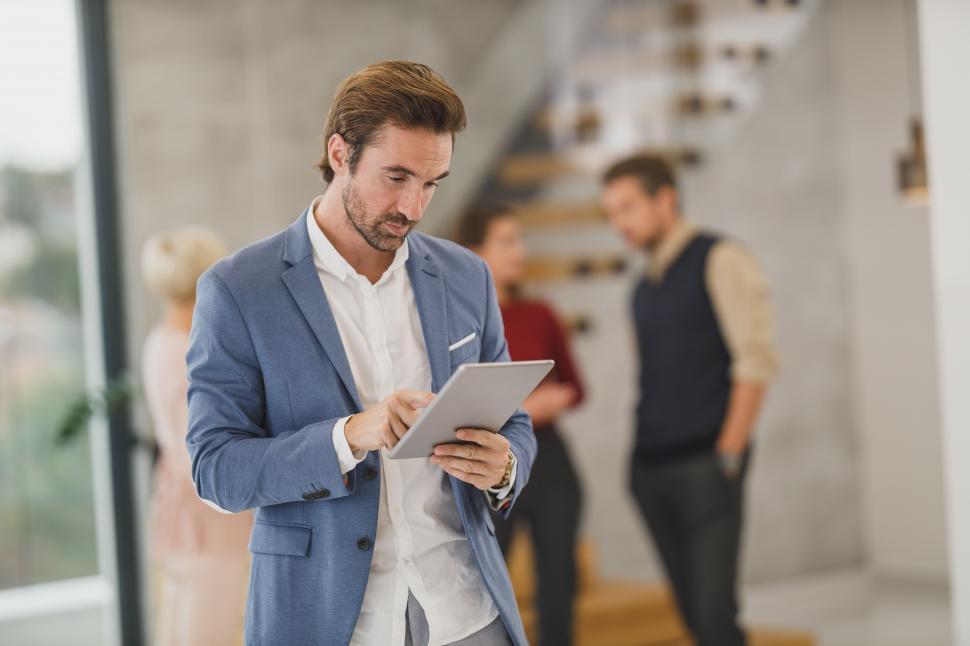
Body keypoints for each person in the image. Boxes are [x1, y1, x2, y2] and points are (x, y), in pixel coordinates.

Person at [185, 61, 536, 646]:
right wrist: (348, 436)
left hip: (468, 610)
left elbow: (514, 422)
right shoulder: (240, 290)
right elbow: (215, 468)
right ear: (340, 153)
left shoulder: (465, 276)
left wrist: (503, 467)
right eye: (395, 177)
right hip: (328, 620)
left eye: (431, 183)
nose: (414, 207)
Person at [600, 154, 781, 646]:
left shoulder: (720, 258)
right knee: (694, 618)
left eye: (628, 207)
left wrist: (730, 450)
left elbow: (756, 360)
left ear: (666, 199)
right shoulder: (641, 288)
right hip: (650, 468)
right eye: (612, 212)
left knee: (715, 614)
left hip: (708, 463)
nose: (620, 223)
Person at [457, 204, 586, 646]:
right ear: (475, 251)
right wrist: (526, 405)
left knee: (559, 584)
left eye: (521, 239)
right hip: (486, 465)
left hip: (550, 461)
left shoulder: (540, 312)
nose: (520, 251)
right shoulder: (458, 320)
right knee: (490, 589)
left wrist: (540, 405)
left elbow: (576, 387)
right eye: (507, 241)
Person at [140, 226, 252, 646]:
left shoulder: (162, 340)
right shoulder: (187, 350)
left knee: (186, 621)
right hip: (206, 514)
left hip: (185, 508)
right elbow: (200, 448)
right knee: (207, 628)